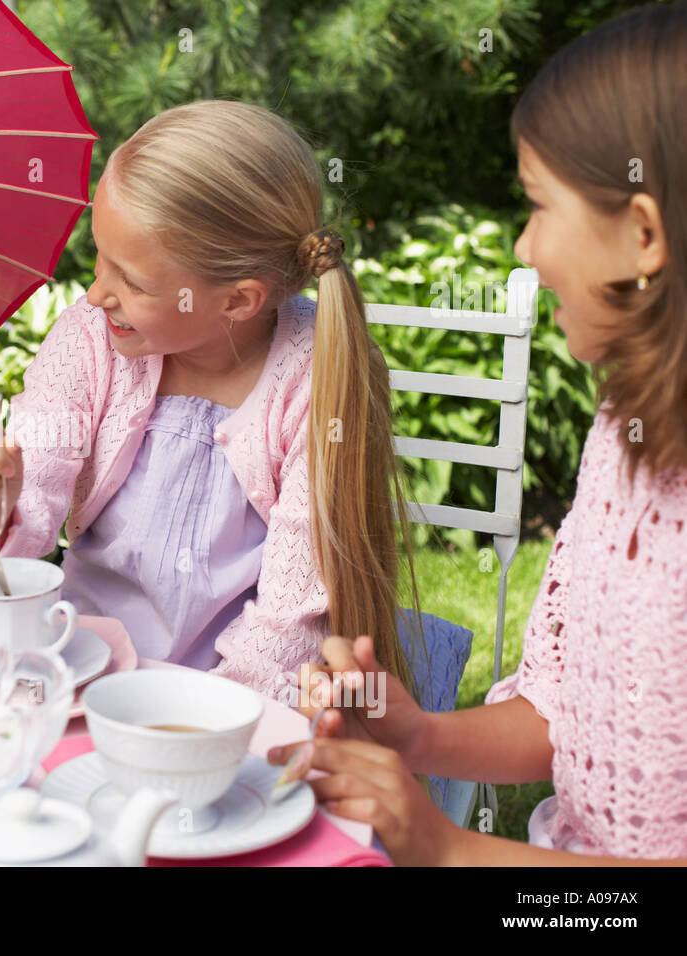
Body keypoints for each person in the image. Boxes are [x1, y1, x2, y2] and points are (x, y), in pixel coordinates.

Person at [271, 4, 687, 864]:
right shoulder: (624, 436)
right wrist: (416, 735)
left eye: (538, 206)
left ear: (642, 234)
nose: (527, 250)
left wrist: (447, 850)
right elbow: (563, 714)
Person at [0, 101, 423, 705]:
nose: (95, 293)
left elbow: (290, 623)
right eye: (98, 258)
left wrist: (188, 725)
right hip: (75, 671)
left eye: (132, 281)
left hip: (234, 703)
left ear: (238, 302)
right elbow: (28, 506)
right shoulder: (91, 339)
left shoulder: (314, 380)